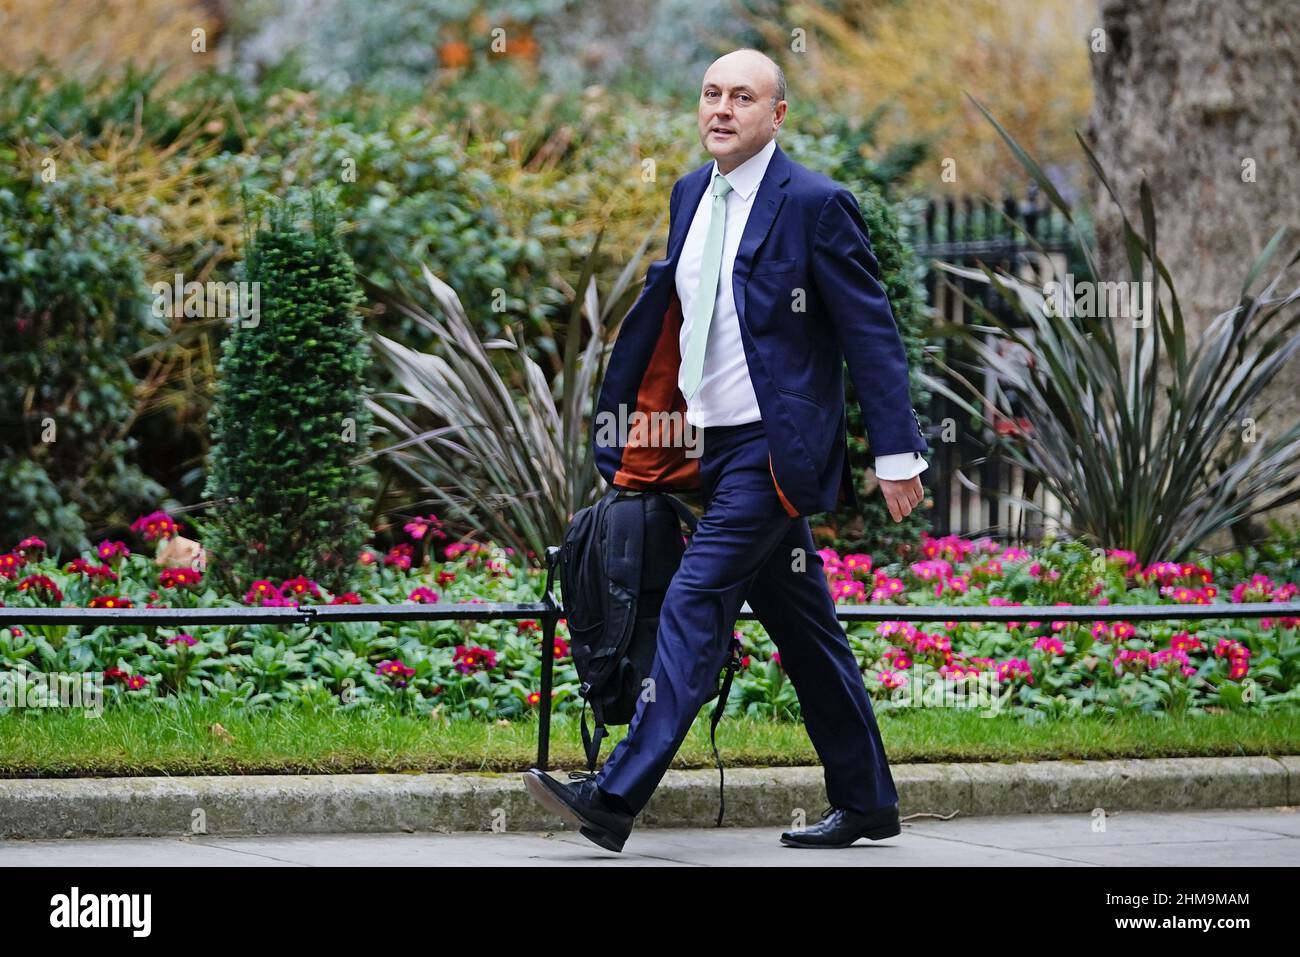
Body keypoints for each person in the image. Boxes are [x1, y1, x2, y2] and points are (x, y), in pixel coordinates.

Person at [523, 48, 928, 852]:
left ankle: (615, 794)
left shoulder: (816, 203)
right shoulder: (689, 195)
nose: (721, 109)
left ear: (776, 116)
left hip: (774, 455)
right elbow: (675, 315)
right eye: (711, 94)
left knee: (694, 599)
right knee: (806, 629)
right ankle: (868, 800)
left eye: (742, 97)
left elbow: (870, 333)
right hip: (707, 448)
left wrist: (897, 453)